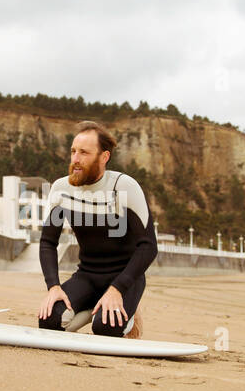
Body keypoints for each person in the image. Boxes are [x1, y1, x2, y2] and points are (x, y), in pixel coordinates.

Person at [37, 122, 158, 338]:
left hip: (125, 277)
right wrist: (53, 287)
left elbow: (148, 246)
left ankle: (125, 315)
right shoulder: (61, 189)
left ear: (104, 157)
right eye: (73, 151)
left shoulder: (124, 187)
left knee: (106, 328)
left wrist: (117, 289)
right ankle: (95, 308)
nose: (75, 159)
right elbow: (48, 242)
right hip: (87, 276)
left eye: (84, 153)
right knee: (48, 320)